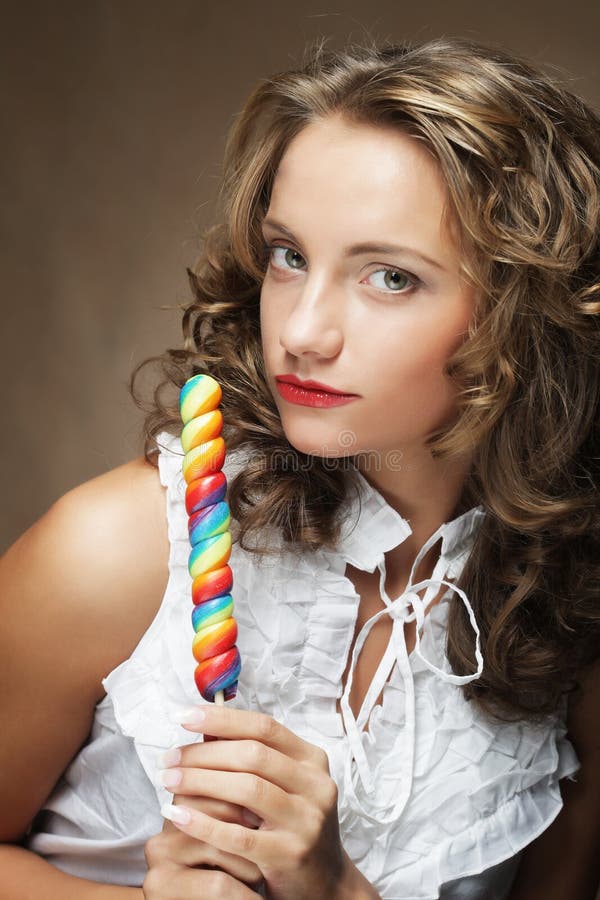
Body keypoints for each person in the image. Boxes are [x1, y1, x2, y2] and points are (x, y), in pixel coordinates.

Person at [0, 35, 598, 900]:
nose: (304, 331)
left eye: (390, 277)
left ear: (529, 310)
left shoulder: (569, 602)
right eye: (289, 255)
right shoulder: (117, 550)